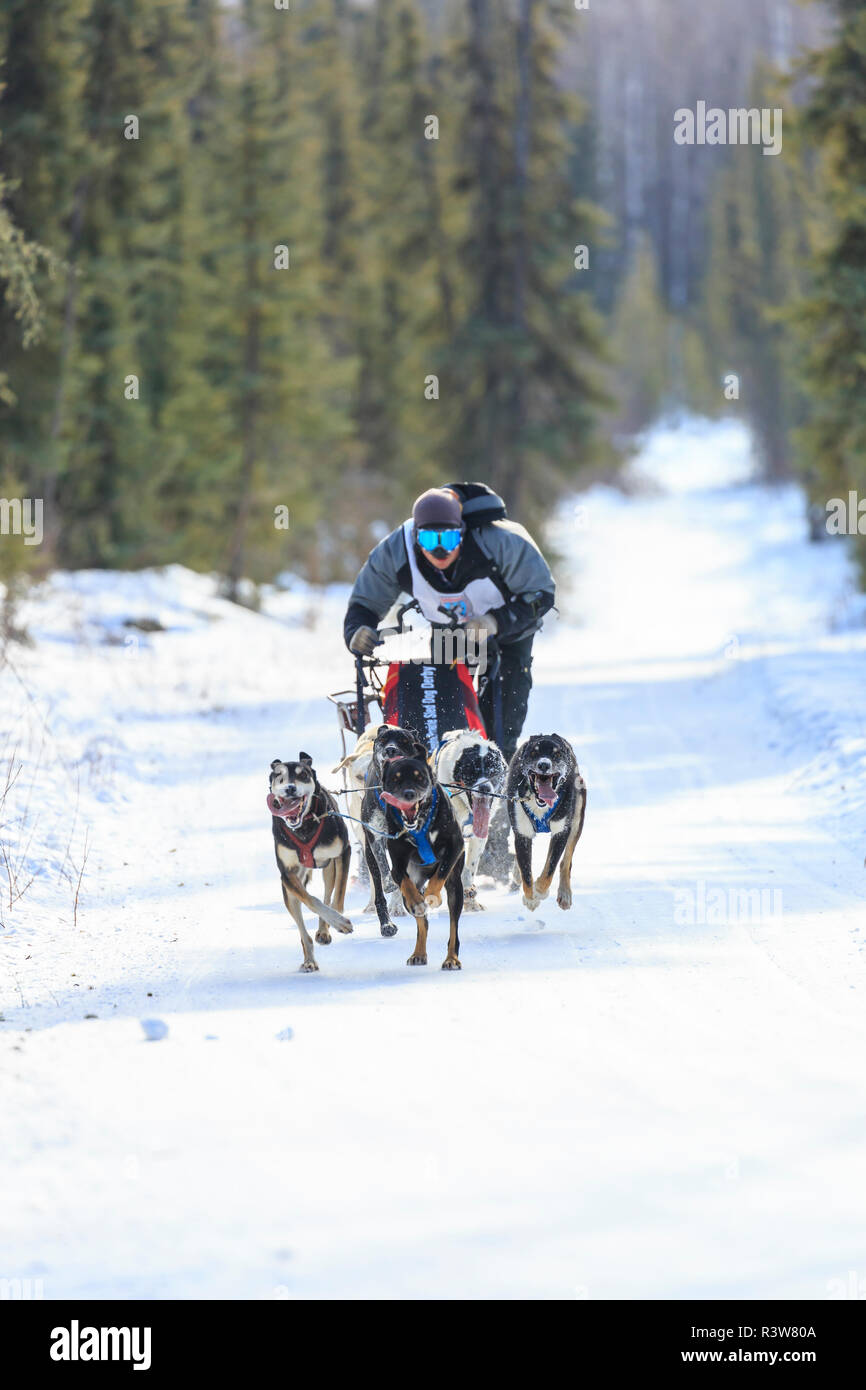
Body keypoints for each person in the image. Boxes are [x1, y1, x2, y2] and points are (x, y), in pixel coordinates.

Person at [344, 482, 555, 765]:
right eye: (430, 541)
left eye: (449, 540)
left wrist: (494, 622)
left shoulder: (501, 542)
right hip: (449, 629)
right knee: (444, 705)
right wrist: (358, 630)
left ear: (463, 534)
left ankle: (499, 765)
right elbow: (365, 601)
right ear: (417, 538)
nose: (440, 551)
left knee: (504, 707)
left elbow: (540, 595)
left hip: (508, 627)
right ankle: (443, 767)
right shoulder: (397, 550)